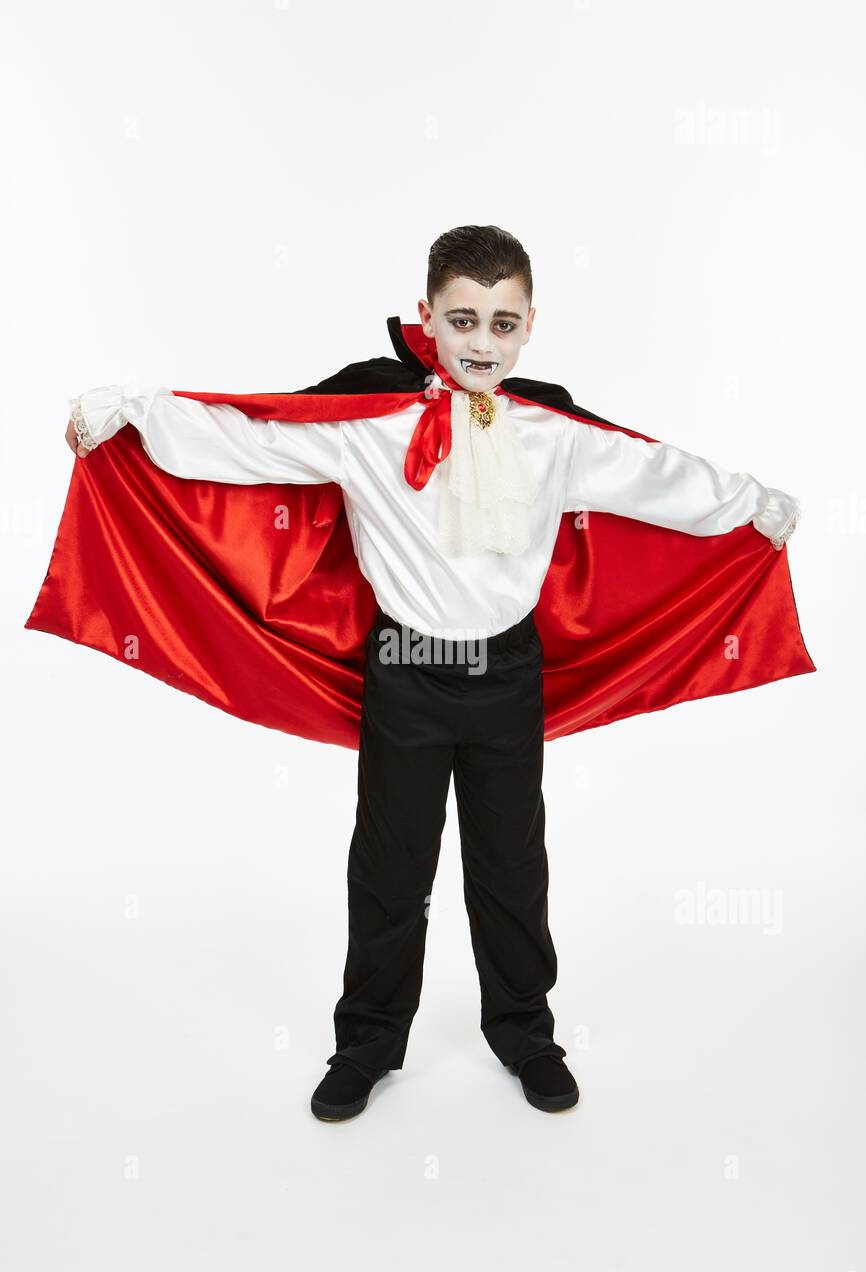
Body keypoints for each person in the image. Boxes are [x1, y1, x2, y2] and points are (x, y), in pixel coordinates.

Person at [61, 225, 802, 1121]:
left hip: (508, 671)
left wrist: (753, 503)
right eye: (463, 321)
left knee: (512, 867)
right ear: (428, 319)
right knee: (389, 866)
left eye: (501, 323)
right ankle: (367, 1042)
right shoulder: (368, 426)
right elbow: (242, 438)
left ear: (530, 326)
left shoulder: (553, 435)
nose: (482, 343)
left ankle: (526, 1032)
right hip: (405, 670)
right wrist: (131, 409)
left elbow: (657, 476)